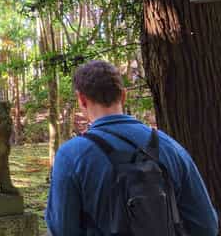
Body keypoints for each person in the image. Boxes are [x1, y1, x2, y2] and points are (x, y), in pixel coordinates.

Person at [46, 60, 219, 236]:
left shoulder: (71, 155)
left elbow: (62, 229)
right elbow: (207, 225)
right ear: (123, 95)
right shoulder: (169, 147)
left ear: (82, 100)